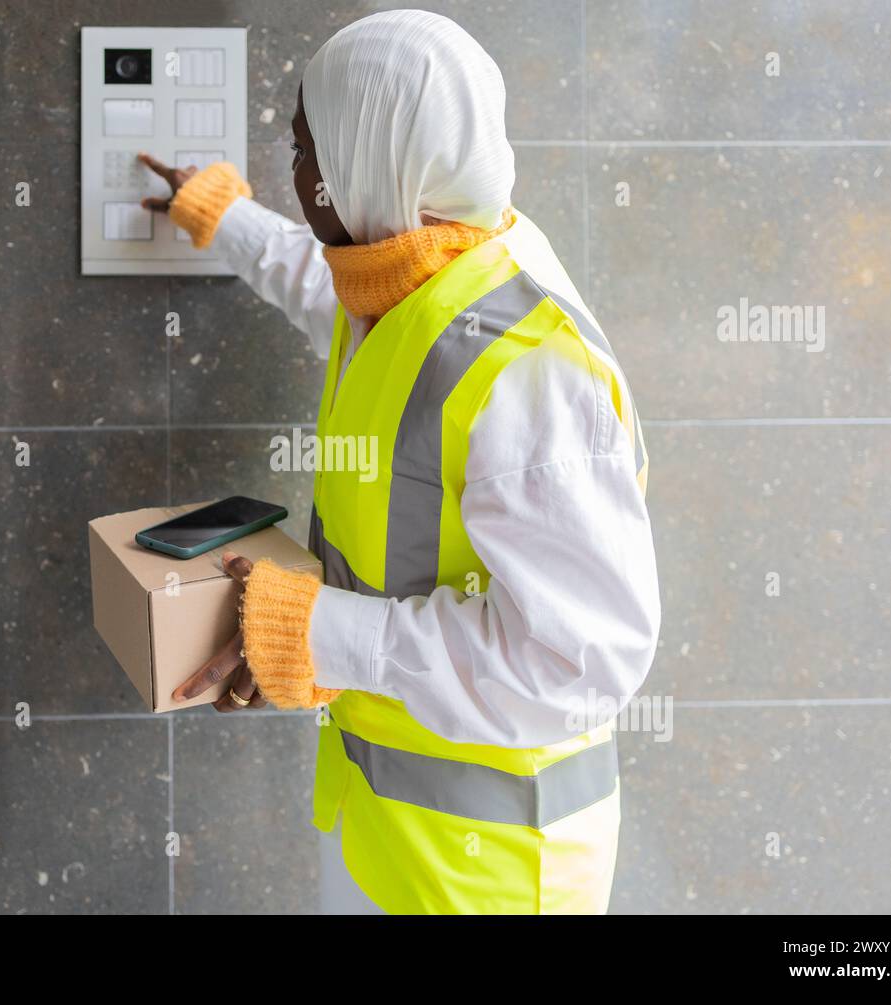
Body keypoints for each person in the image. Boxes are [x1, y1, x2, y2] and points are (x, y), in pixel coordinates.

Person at [142, 9, 660, 915]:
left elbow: (580, 662)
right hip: (394, 841)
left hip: (490, 876)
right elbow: (325, 293)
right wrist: (223, 217)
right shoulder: (415, 267)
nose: (300, 173)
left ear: (362, 169)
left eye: (307, 151)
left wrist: (317, 630)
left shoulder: (530, 372)